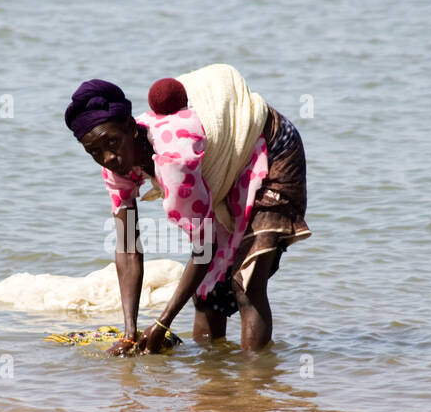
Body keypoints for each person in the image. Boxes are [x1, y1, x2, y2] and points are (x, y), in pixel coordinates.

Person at [64, 65, 309, 354]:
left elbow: (204, 248)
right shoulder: (115, 168)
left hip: (274, 147)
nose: (108, 157)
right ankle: (212, 389)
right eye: (95, 152)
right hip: (226, 169)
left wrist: (162, 323)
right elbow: (128, 247)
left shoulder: (174, 159)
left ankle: (252, 388)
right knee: (207, 295)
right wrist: (130, 331)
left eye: (112, 142)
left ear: (131, 127)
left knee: (246, 282)